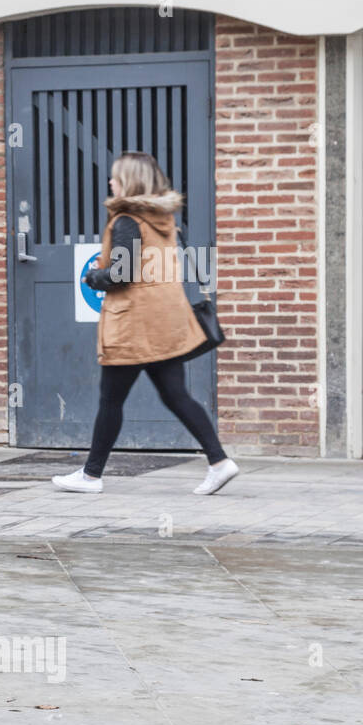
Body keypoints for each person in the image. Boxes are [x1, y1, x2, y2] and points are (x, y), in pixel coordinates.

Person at [52, 151, 239, 497]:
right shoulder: (163, 220)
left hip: (134, 326)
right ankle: (219, 461)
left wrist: (94, 276)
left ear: (130, 181)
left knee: (111, 399)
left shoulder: (127, 221)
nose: (110, 182)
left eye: (116, 177)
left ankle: (91, 476)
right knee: (175, 394)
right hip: (164, 322)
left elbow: (121, 275)